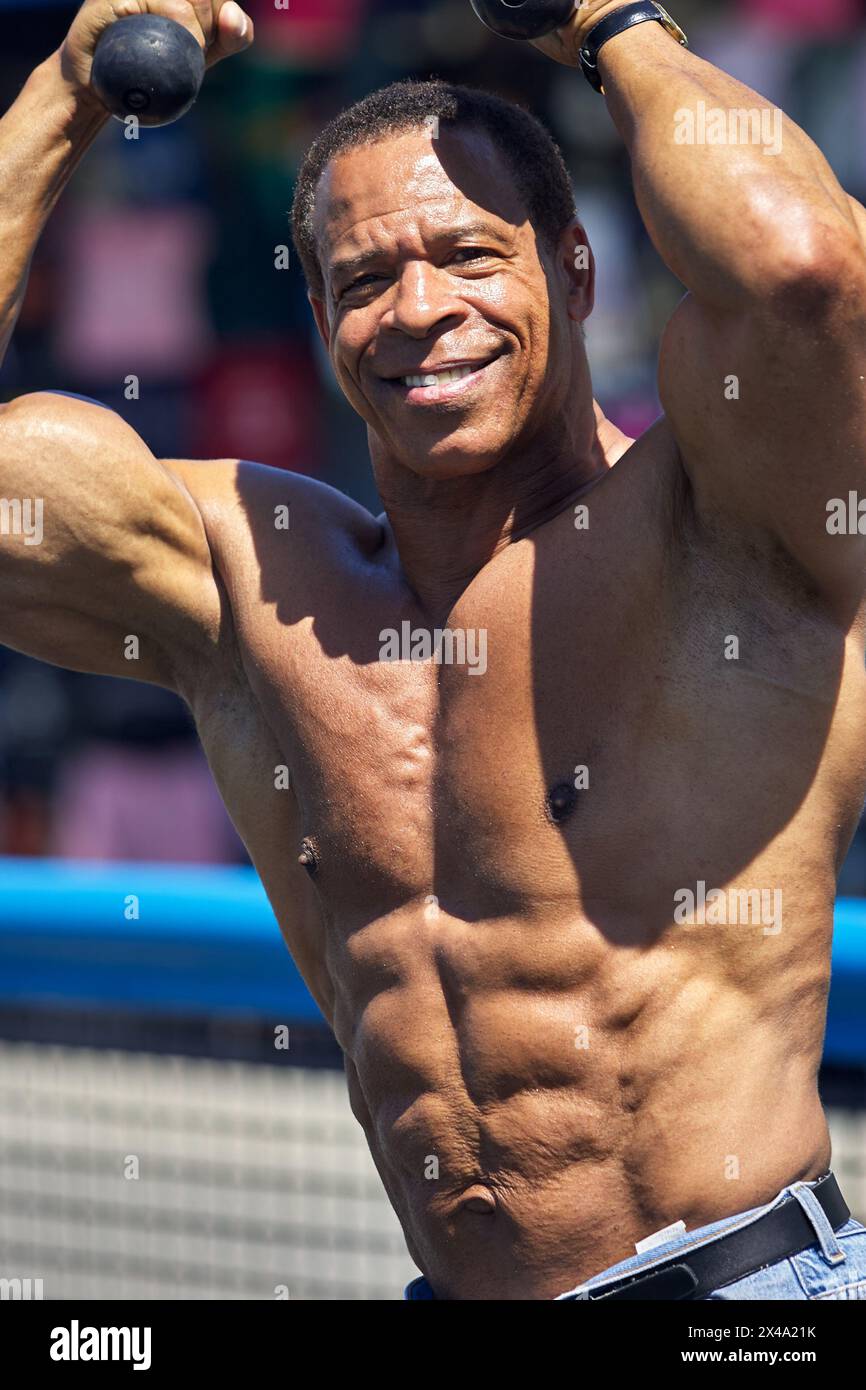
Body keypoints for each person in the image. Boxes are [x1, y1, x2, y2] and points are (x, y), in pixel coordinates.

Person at [1, 0, 865, 1300]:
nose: (416, 310)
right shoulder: (247, 584)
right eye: (360, 281)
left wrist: (609, 26)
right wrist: (69, 81)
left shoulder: (731, 526)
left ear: (575, 273)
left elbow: (798, 263)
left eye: (466, 255)